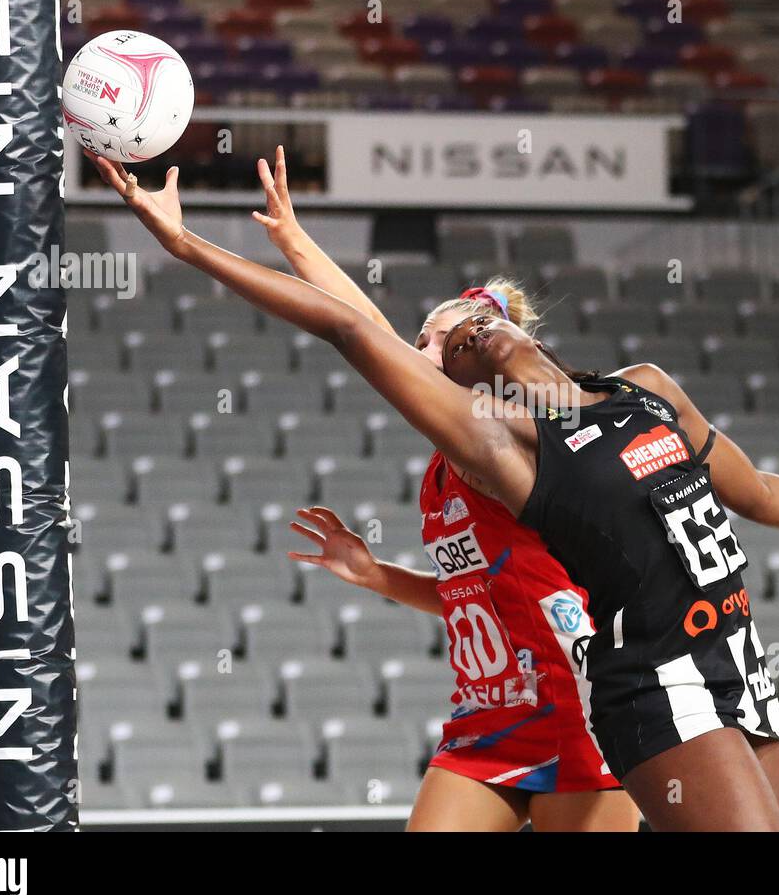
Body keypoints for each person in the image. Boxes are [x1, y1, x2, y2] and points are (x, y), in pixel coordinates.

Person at [90, 150, 779, 830]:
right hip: (634, 684)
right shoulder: (497, 451)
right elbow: (352, 330)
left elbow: (753, 489)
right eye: (442, 337)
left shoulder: (645, 387)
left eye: (468, 318)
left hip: (733, 664)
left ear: (514, 327)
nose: (452, 333)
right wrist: (190, 242)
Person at [261, 147, 638, 831]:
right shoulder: (444, 467)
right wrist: (377, 574)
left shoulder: (500, 445)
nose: (420, 356)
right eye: (421, 341)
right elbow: (472, 595)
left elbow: (364, 332)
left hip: (573, 706)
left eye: (437, 345)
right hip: (485, 716)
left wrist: (295, 243)